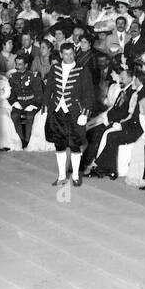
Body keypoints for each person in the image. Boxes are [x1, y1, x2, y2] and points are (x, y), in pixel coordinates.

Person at [44, 40, 95, 187]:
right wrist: (46, 107)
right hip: (58, 111)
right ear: (61, 55)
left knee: (75, 145)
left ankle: (76, 176)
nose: (69, 57)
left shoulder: (83, 70)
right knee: (59, 144)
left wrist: (84, 114)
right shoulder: (54, 69)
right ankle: (61, 176)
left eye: (71, 54)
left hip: (75, 113)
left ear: (75, 54)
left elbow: (89, 94)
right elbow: (49, 89)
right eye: (66, 54)